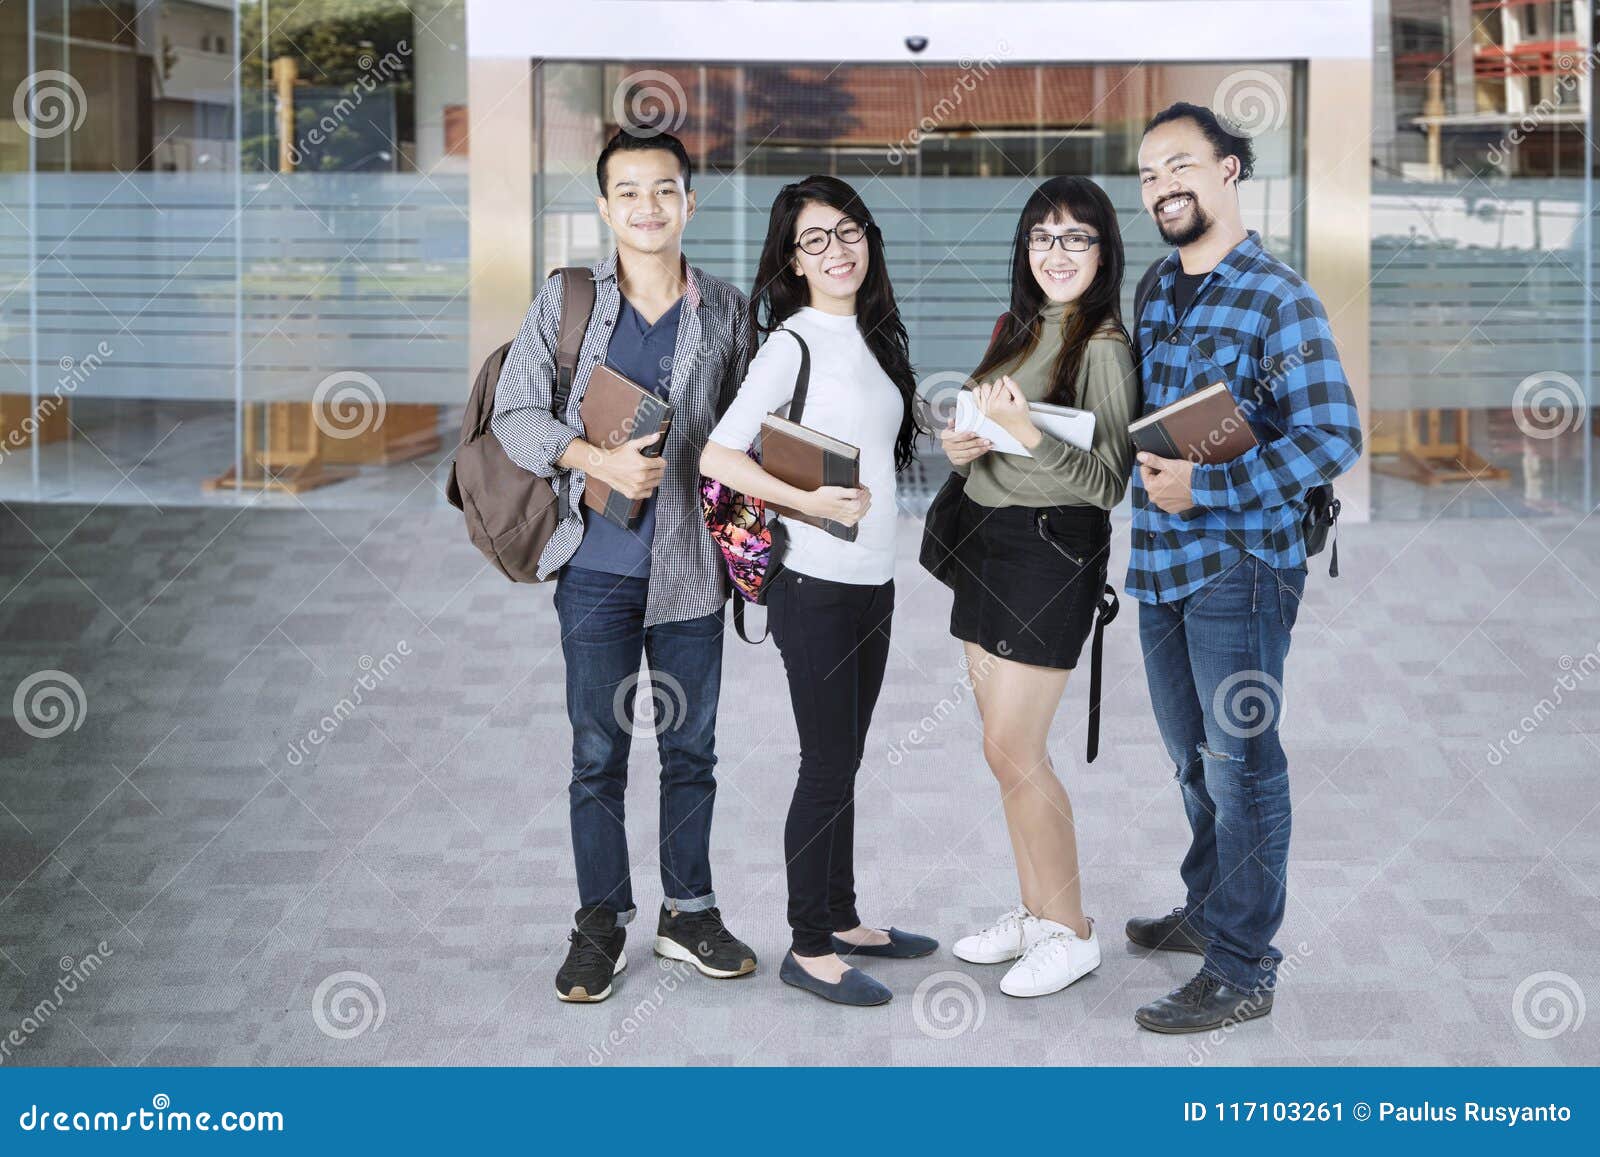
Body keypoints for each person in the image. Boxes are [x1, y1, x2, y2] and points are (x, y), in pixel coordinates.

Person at [491, 128, 758, 1004]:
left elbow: (753, 433)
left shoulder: (726, 309)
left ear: (690, 202)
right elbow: (515, 415)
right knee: (597, 751)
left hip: (691, 570)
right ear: (604, 207)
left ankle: (689, 912)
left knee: (692, 749)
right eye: (628, 191)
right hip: (596, 568)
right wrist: (592, 460)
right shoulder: (567, 300)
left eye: (665, 190)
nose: (648, 206)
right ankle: (601, 920)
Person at [1123, 102, 1362, 1032]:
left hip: (1243, 566)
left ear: (1229, 170)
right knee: (1194, 760)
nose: (1161, 187)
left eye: (1179, 165)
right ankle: (1209, 907)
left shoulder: (1277, 295)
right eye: (1147, 175)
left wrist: (1210, 491)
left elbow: (1333, 433)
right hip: (1157, 562)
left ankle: (1242, 966)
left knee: (1243, 763)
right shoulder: (1154, 286)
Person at [699, 176, 936, 1006]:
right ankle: (808, 945)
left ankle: (842, 914)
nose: (838, 251)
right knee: (826, 763)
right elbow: (719, 456)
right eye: (815, 240)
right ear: (792, 261)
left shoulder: (870, 335)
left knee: (846, 759)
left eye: (849, 232)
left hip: (873, 580)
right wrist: (806, 500)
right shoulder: (790, 344)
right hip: (814, 583)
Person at [937, 177, 1140, 998]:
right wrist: (968, 448)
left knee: (1016, 749)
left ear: (1104, 251)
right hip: (986, 546)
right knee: (1000, 749)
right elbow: (998, 441)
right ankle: (1035, 909)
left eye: (1076, 238)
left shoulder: (1102, 345)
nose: (1058, 254)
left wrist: (1023, 433)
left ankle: (1071, 930)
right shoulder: (1020, 327)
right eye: (1043, 238)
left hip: (1050, 558)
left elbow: (1107, 480)